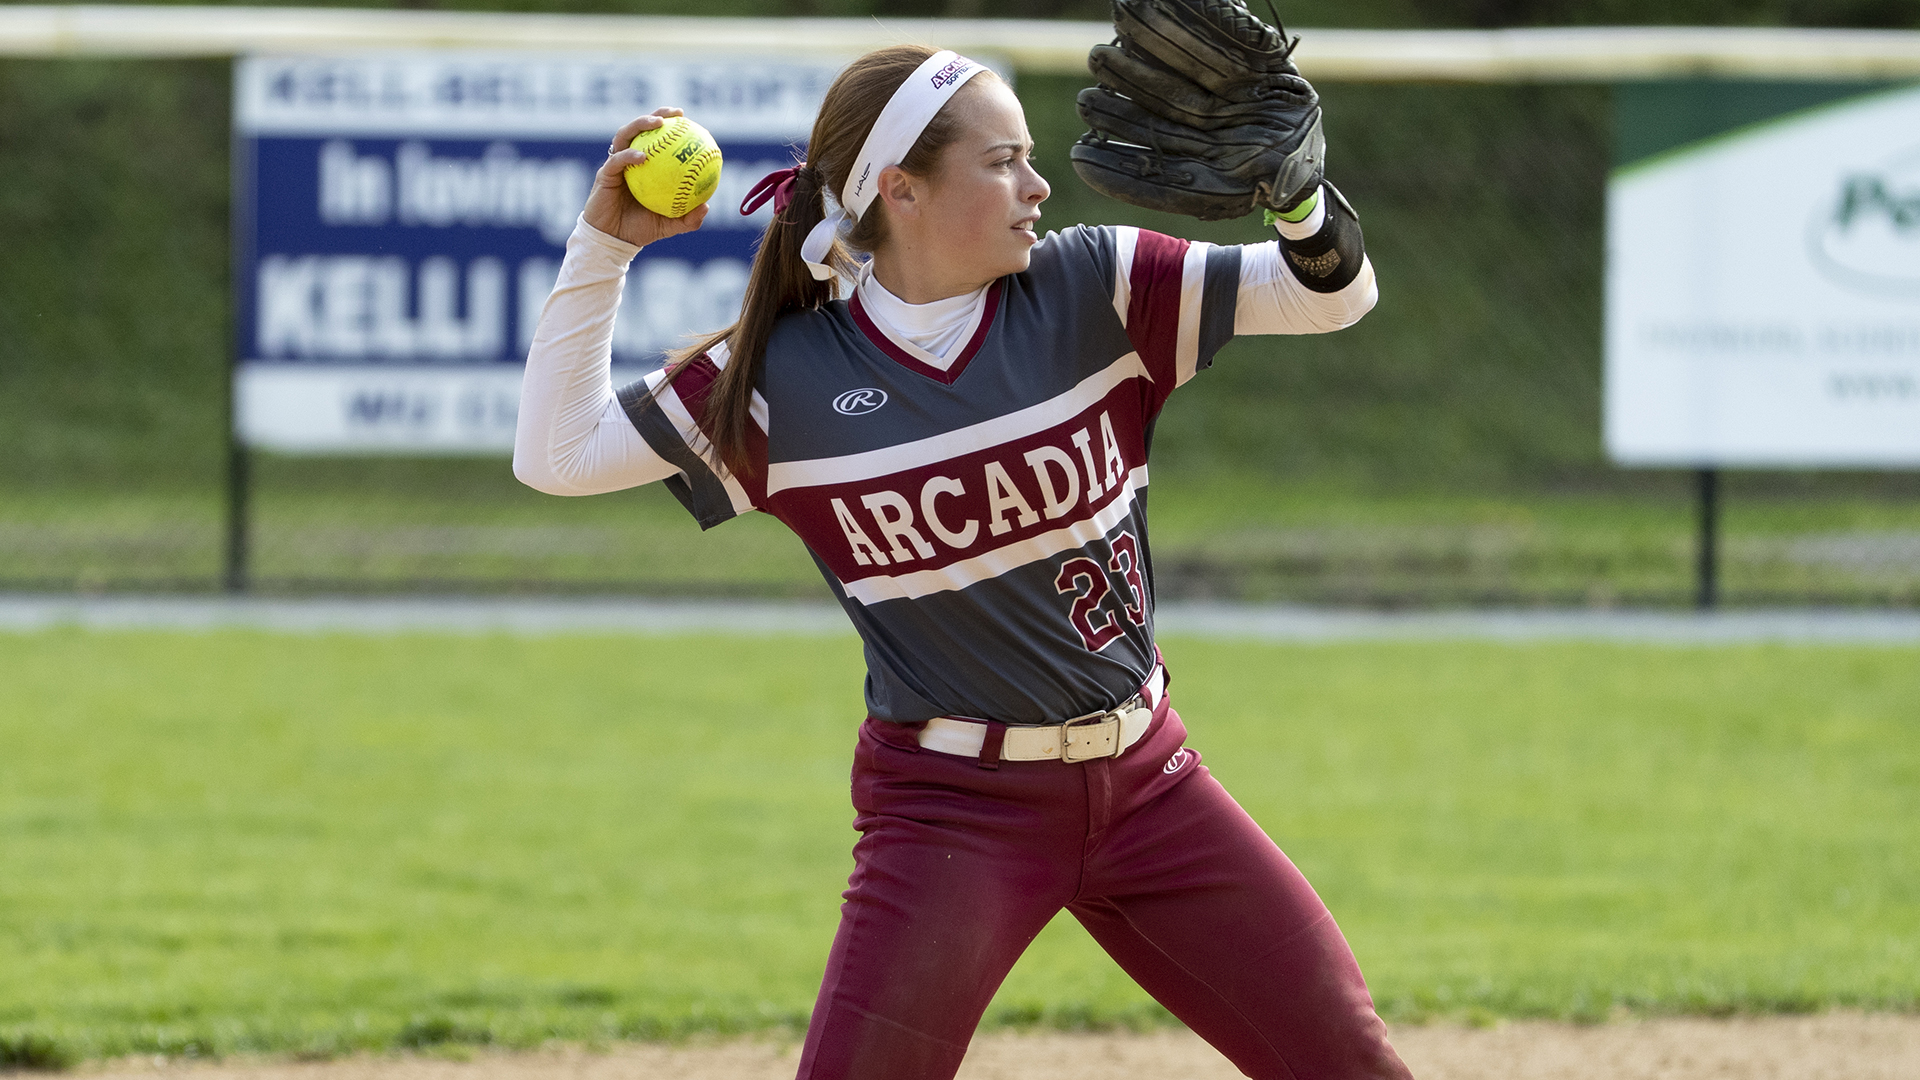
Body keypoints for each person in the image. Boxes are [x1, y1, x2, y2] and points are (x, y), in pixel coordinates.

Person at [514, 44, 1411, 1080]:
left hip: (1152, 783)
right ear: (901, 188)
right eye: (1003, 162)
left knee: (1350, 1062)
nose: (1037, 186)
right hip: (954, 811)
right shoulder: (783, 379)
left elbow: (1329, 297)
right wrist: (604, 245)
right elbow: (558, 455)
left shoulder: (1093, 284)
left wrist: (1299, 201)